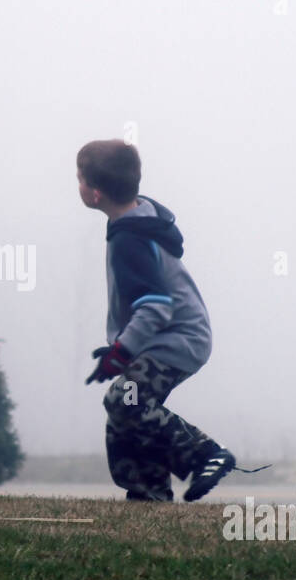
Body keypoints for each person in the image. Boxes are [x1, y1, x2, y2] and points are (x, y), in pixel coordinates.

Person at [79, 139, 255, 501]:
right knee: (125, 414)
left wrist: (122, 352)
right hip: (167, 337)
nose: (77, 185)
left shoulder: (130, 238)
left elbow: (155, 307)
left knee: (124, 401)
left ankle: (205, 454)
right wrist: (121, 346)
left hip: (178, 339)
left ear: (95, 194)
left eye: (79, 178)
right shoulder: (139, 221)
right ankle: (148, 495)